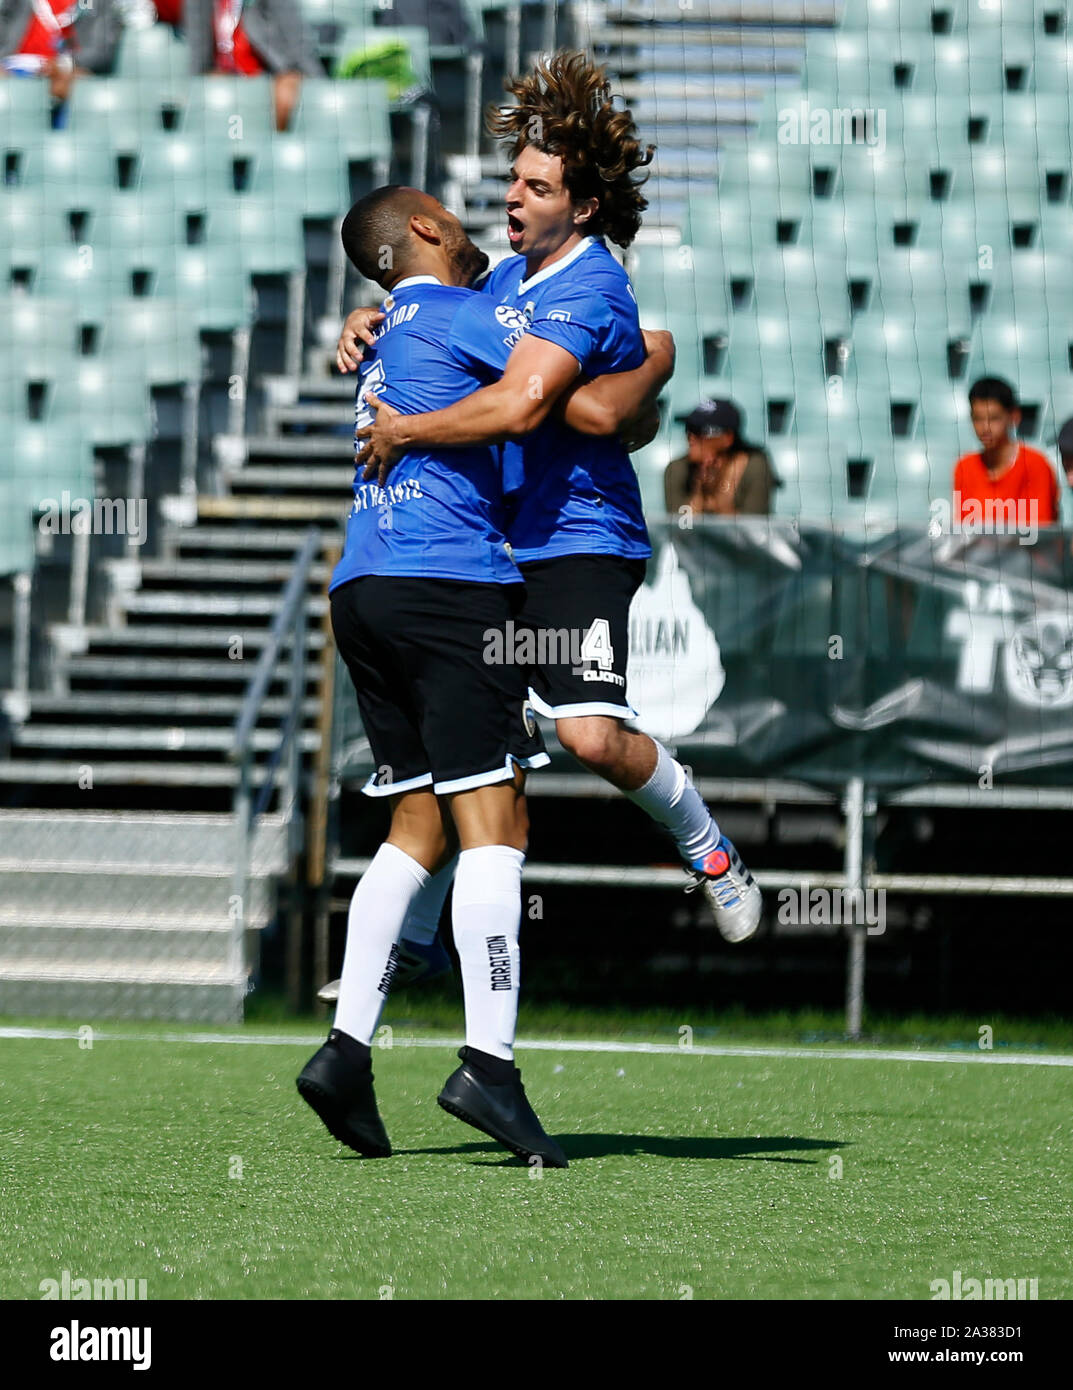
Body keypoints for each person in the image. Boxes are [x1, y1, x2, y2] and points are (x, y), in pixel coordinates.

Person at [337, 50, 763, 973]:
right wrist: (365, 320)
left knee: (586, 734)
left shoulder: (589, 285)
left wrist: (415, 431)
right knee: (482, 747)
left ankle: (710, 850)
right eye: (512, 180)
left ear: (583, 206)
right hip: (488, 544)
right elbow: (433, 314)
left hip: (577, 538)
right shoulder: (496, 284)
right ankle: (416, 939)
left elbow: (569, 401)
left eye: (536, 186)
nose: (514, 197)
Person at [297, 185, 674, 1166]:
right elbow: (553, 391)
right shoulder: (471, 313)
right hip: (446, 584)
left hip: (362, 584)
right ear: (422, 230)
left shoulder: (390, 330)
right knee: (495, 819)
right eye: (449, 212)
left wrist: (361, 321)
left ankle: (345, 1051)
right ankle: (488, 1066)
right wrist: (653, 367)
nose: (474, 217)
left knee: (416, 821)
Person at [183, 0, 321, 131]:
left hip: (268, 82)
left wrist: (298, 77)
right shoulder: (198, 3)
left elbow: (301, 51)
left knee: (286, 93)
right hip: (224, 89)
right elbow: (197, 65)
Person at [952, 377, 1060, 530]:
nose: (985, 427)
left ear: (1014, 416)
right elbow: (964, 532)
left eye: (994, 418)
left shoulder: (1036, 465)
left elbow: (1040, 534)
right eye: (978, 419)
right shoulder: (964, 467)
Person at [663, 399, 779, 517]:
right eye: (688, 429)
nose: (691, 437)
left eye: (701, 431)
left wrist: (722, 496)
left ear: (727, 438)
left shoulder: (755, 465)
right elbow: (679, 528)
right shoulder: (676, 469)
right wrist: (699, 492)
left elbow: (754, 527)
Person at [0, 0, 121, 101]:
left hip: (68, 71)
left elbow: (101, 51)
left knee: (69, 84)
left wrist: (65, 65)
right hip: (17, 67)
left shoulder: (92, 3)